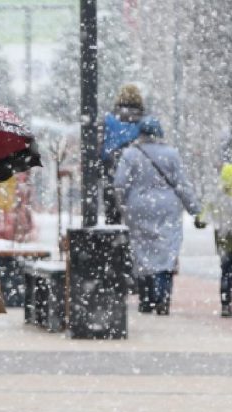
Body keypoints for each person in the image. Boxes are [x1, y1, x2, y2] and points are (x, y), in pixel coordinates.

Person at [114, 116, 201, 316]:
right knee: (167, 250)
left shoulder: (131, 154)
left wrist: (124, 207)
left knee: (142, 251)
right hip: (167, 207)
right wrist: (195, 209)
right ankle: (163, 297)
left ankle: (146, 299)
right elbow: (182, 184)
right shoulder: (171, 154)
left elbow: (120, 183)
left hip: (138, 206)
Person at [198, 163, 232, 317]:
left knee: (226, 275)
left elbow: (201, 221)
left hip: (225, 246)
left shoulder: (218, 201)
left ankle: (226, 305)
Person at [99, 84, 145, 224]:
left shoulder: (108, 120)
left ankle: (113, 237)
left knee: (112, 208)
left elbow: (99, 145)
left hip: (111, 167)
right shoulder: (144, 122)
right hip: (136, 169)